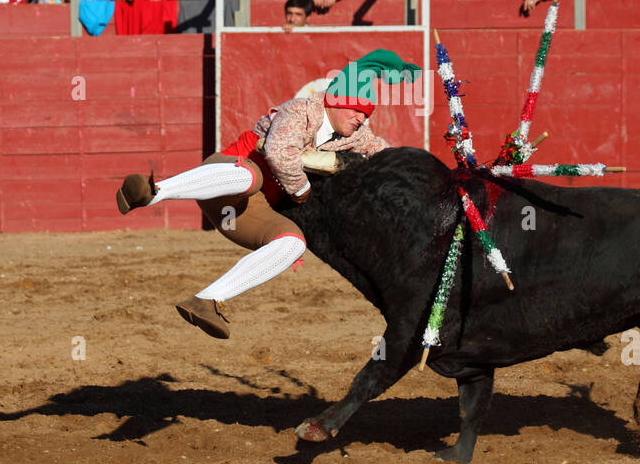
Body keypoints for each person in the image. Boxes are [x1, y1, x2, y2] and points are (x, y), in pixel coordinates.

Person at [116, 49, 421, 340]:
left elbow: (387, 158)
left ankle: (206, 301)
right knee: (250, 175)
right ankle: (152, 193)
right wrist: (302, 191)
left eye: (366, 114)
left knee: (292, 244)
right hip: (228, 176)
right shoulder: (302, 109)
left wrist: (428, 177)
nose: (361, 118)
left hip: (249, 211)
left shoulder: (355, 136)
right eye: (357, 109)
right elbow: (277, 152)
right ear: (338, 100)